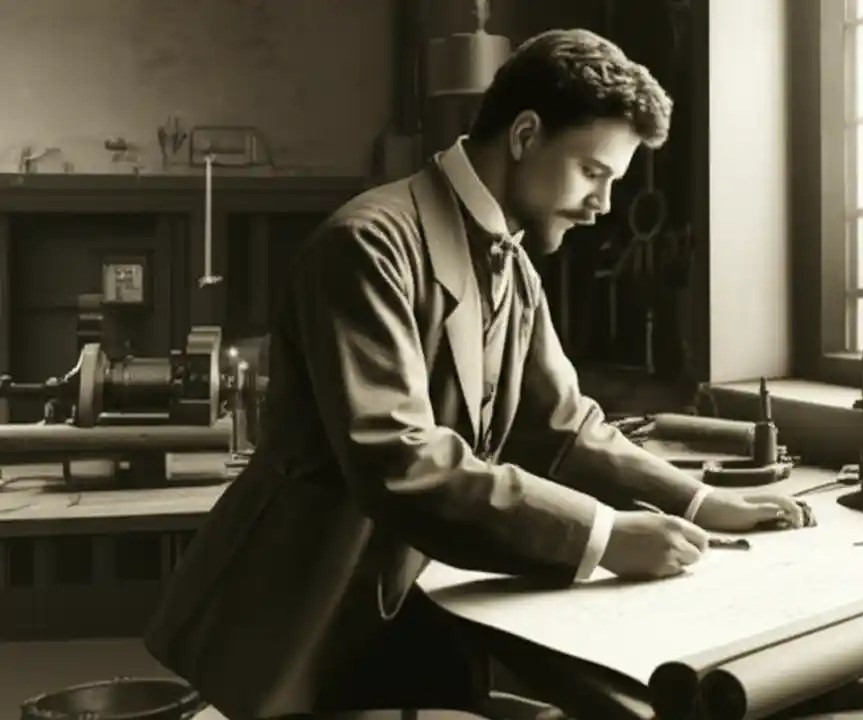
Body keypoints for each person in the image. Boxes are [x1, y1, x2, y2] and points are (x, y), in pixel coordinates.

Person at [143, 28, 809, 719]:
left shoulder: (512, 262)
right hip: (296, 604)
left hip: (402, 590)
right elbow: (397, 460)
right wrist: (605, 538)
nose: (604, 204)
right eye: (594, 172)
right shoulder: (368, 243)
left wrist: (698, 502)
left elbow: (564, 428)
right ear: (525, 135)